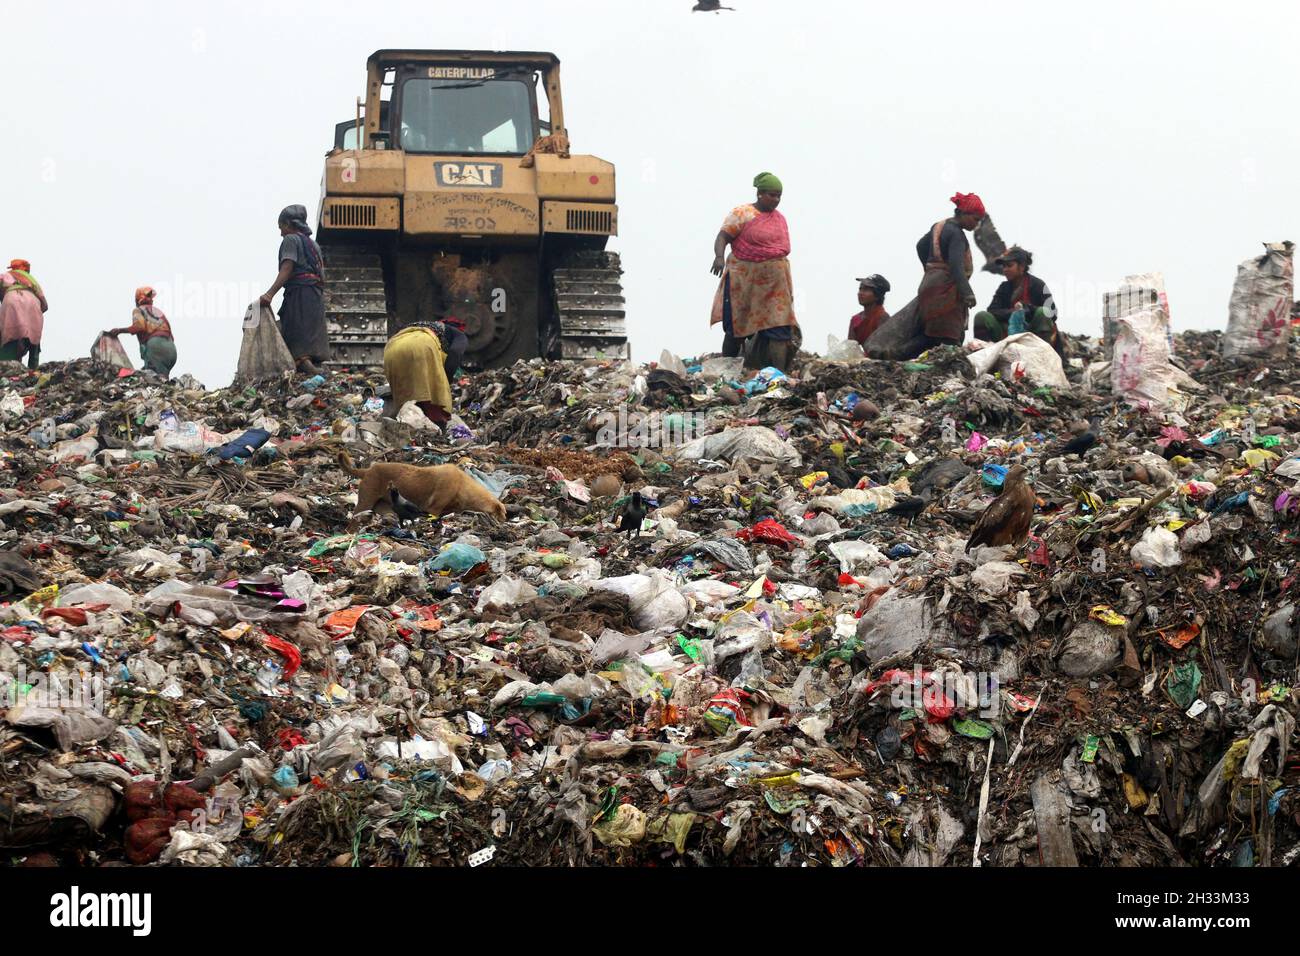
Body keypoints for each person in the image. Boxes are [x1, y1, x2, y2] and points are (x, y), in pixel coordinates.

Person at [709, 172, 799, 376]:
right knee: (736, 327)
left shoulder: (780, 219)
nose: (775, 200)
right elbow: (723, 236)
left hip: (774, 285)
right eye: (771, 195)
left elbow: (782, 249)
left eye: (779, 196)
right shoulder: (742, 213)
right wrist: (719, 257)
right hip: (744, 282)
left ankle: (778, 375)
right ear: (759, 194)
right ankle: (728, 371)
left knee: (779, 326)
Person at [260, 205, 330, 375]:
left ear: (289, 224)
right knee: (310, 328)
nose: (281, 233)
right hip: (315, 293)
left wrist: (269, 294)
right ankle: (314, 363)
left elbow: (287, 267)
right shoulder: (314, 245)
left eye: (281, 227)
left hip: (299, 293)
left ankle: (303, 361)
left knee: (294, 326)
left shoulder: (290, 240)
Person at [914, 193, 985, 347]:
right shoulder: (957, 235)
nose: (976, 224)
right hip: (947, 291)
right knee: (950, 338)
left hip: (928, 285)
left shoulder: (938, 226)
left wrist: (931, 269)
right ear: (963, 213)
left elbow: (920, 246)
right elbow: (956, 267)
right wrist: (968, 293)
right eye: (975, 219)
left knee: (931, 335)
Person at [973, 247, 1063, 356]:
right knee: (981, 317)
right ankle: (983, 356)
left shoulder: (1037, 285)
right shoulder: (1004, 288)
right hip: (1008, 335)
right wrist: (1014, 313)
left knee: (1043, 312)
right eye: (1004, 266)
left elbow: (1052, 313)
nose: (1005, 270)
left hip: (1033, 335)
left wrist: (1029, 309)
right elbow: (992, 310)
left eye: (1009, 266)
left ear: (1022, 267)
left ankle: (1042, 355)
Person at [383, 321, 454, 427]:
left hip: (392, 348)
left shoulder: (404, 334)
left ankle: (403, 422)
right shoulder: (436, 339)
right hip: (422, 346)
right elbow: (456, 354)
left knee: (405, 393)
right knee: (432, 391)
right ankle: (436, 423)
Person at [106, 287, 177, 377]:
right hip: (171, 349)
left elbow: (139, 327)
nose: (152, 300)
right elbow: (171, 334)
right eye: (151, 298)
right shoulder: (159, 312)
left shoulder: (139, 310)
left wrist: (119, 330)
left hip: (156, 347)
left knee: (157, 378)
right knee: (160, 377)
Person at [0, 259, 48, 369]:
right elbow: (45, 305)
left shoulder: (5, 276)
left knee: (9, 335)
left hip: (11, 301)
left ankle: (5, 366)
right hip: (34, 303)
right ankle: (33, 368)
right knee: (34, 338)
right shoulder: (32, 280)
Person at [848, 274, 891, 347]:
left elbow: (882, 347)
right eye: (860, 289)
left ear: (877, 295)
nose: (860, 293)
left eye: (866, 290)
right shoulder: (855, 319)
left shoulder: (883, 318)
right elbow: (851, 349)